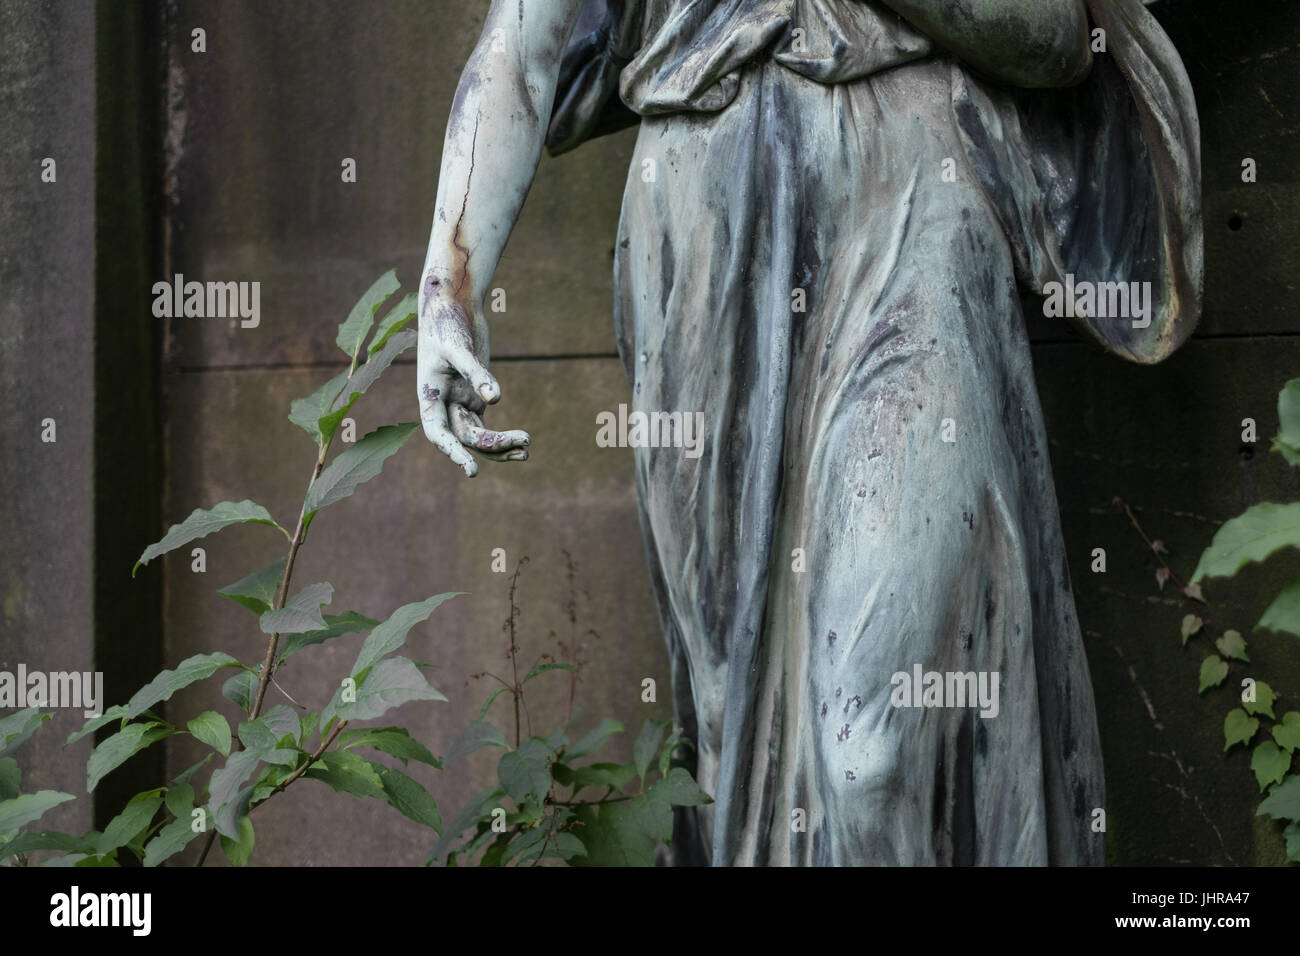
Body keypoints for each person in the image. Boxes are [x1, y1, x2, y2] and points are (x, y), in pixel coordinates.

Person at [416, 0, 1202, 865]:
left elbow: (1051, 36)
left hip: (912, 218)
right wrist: (449, 283)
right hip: (699, 255)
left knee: (874, 738)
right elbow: (525, 51)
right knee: (734, 731)